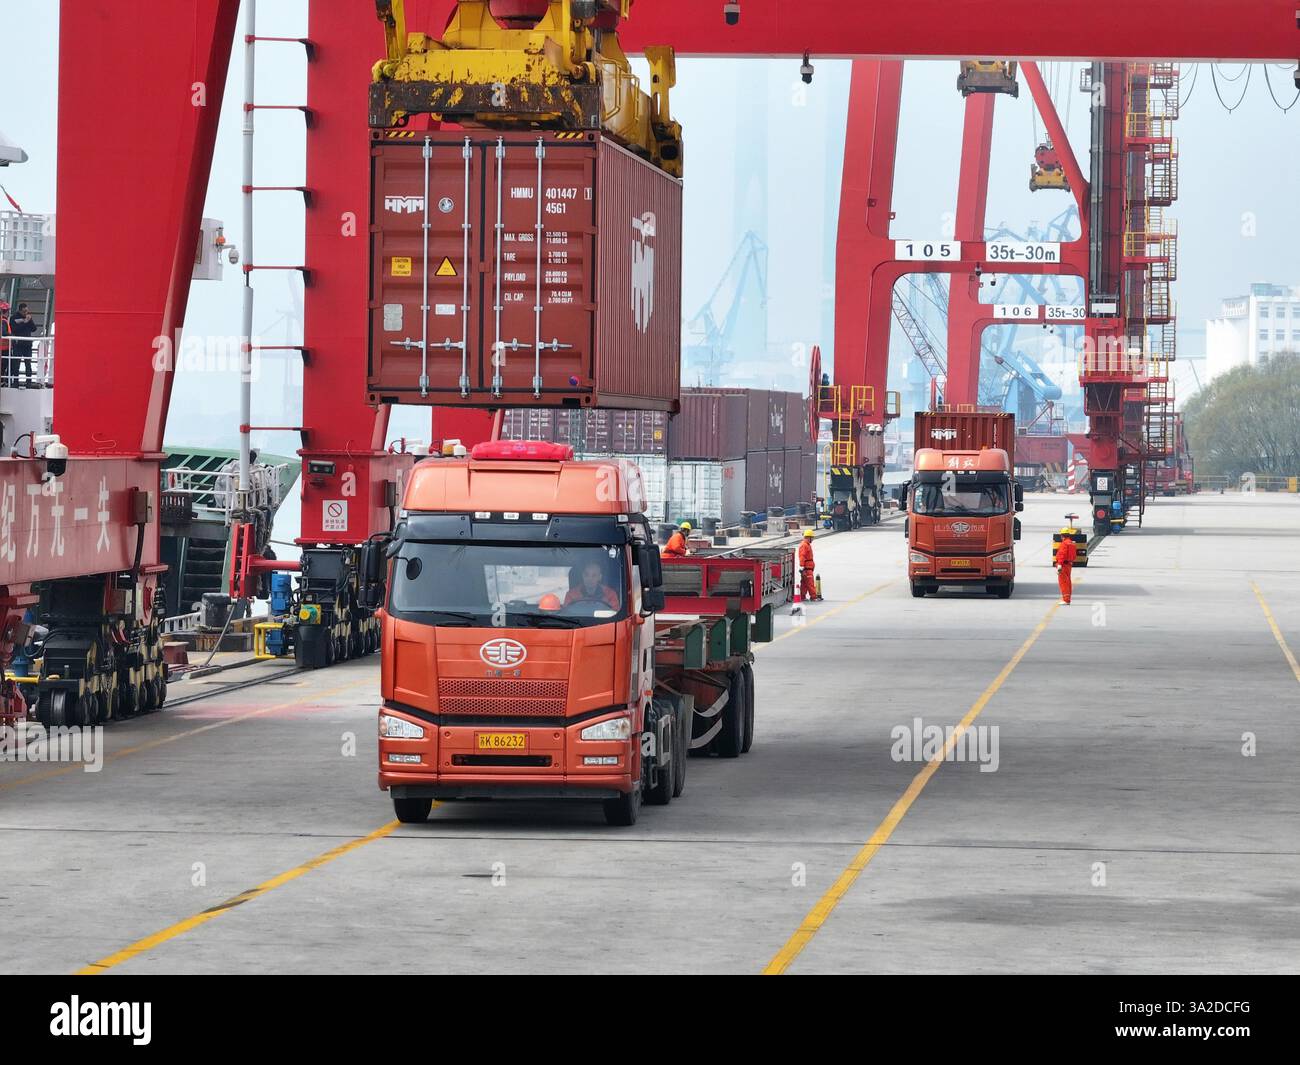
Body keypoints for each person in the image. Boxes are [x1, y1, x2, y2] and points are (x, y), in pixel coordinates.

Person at [7, 303, 37, 387]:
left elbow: (34, 328)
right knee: (16, 363)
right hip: (18, 344)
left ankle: (29, 382)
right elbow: (14, 329)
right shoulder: (14, 318)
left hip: (27, 345)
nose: (26, 313)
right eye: (24, 311)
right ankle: (15, 381)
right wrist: (24, 322)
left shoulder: (28, 317)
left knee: (28, 363)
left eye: (27, 311)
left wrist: (29, 321)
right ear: (20, 310)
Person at [1054, 523, 1078, 605]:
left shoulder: (1064, 544)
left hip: (1063, 565)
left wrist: (1059, 564)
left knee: (1063, 582)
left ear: (1062, 535)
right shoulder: (1071, 543)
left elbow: (1062, 554)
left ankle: (1066, 600)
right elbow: (1074, 555)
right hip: (1069, 565)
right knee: (1068, 582)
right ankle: (1068, 598)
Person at [797, 528, 822, 601]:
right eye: (812, 537)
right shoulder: (804, 545)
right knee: (810, 582)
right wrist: (802, 566)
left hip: (808, 567)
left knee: (804, 583)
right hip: (807, 568)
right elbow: (802, 556)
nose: (813, 539)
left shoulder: (806, 545)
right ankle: (813, 597)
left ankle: (802, 596)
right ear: (809, 537)